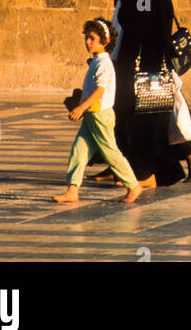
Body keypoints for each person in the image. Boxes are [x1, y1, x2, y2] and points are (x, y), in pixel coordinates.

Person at [98, 0, 191, 188]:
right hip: (128, 59)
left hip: (145, 61)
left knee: (148, 116)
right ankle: (123, 165)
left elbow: (145, 24)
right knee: (144, 112)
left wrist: (140, 58)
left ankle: (157, 166)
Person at [52, 18, 144, 205]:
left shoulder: (104, 64)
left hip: (100, 115)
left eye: (92, 38)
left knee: (110, 151)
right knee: (79, 151)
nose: (87, 41)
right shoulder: (97, 61)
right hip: (92, 115)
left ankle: (133, 185)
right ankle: (72, 190)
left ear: (105, 41)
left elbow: (100, 91)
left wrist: (81, 107)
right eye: (86, 37)